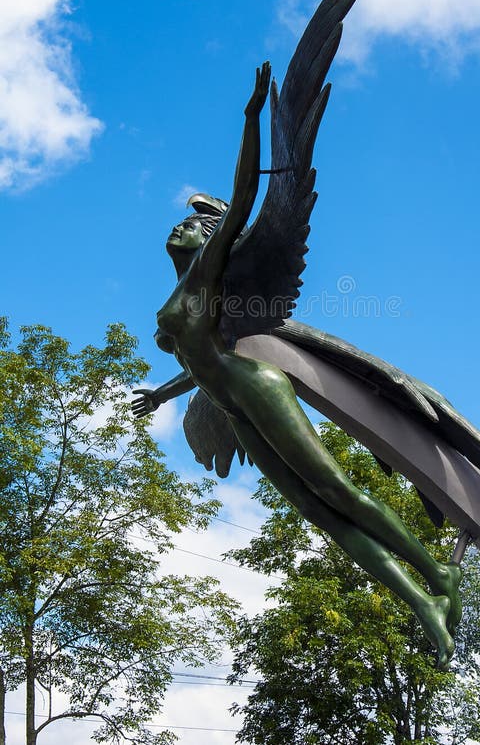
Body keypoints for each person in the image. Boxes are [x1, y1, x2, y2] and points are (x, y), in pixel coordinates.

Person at [134, 62, 462, 669]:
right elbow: (203, 360)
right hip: (232, 405)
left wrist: (252, 118)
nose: (180, 226)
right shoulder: (183, 301)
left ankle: (436, 569)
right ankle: (425, 601)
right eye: (179, 222)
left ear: (209, 242)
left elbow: (246, 197)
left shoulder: (207, 277)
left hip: (253, 387)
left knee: (334, 487)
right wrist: (162, 394)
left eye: (191, 223)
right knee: (319, 514)